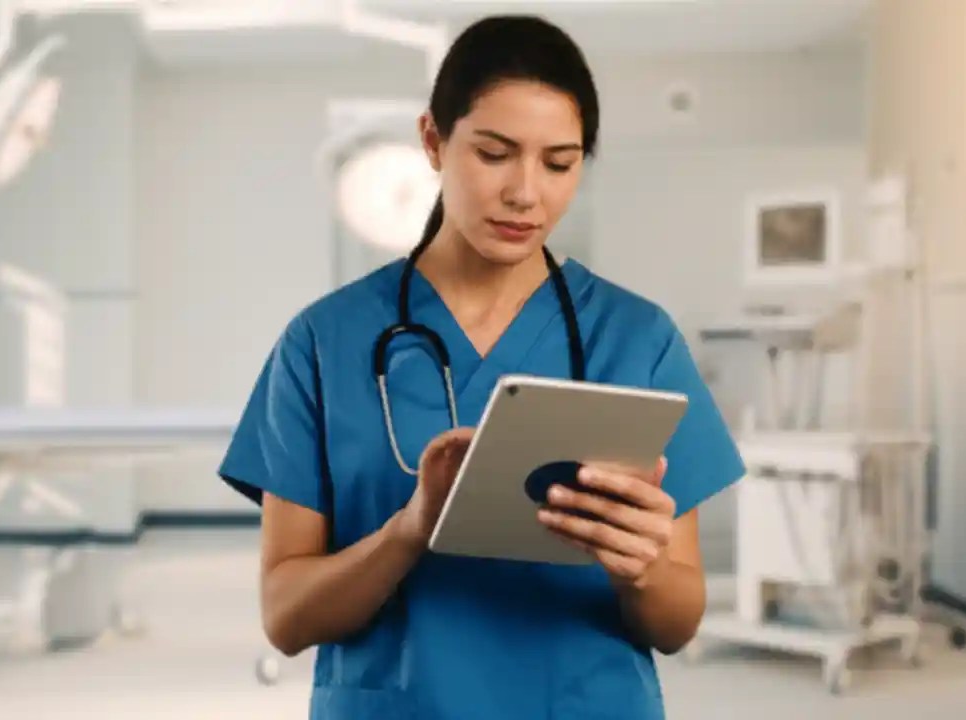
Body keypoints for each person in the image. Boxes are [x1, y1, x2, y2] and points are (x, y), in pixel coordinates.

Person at [218, 14, 745, 720]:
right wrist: (409, 531)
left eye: (560, 163)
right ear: (433, 141)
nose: (527, 193)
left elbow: (678, 625)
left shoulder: (637, 339)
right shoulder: (323, 342)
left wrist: (642, 567)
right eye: (495, 154)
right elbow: (286, 619)